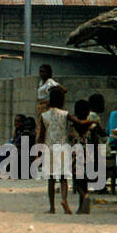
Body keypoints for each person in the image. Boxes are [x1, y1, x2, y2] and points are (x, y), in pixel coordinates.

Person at [37, 85, 72, 214]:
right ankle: (64, 199)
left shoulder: (44, 115)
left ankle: (52, 207)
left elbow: (41, 135)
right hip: (63, 147)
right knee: (63, 178)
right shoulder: (65, 114)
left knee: (51, 180)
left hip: (49, 149)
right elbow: (76, 122)